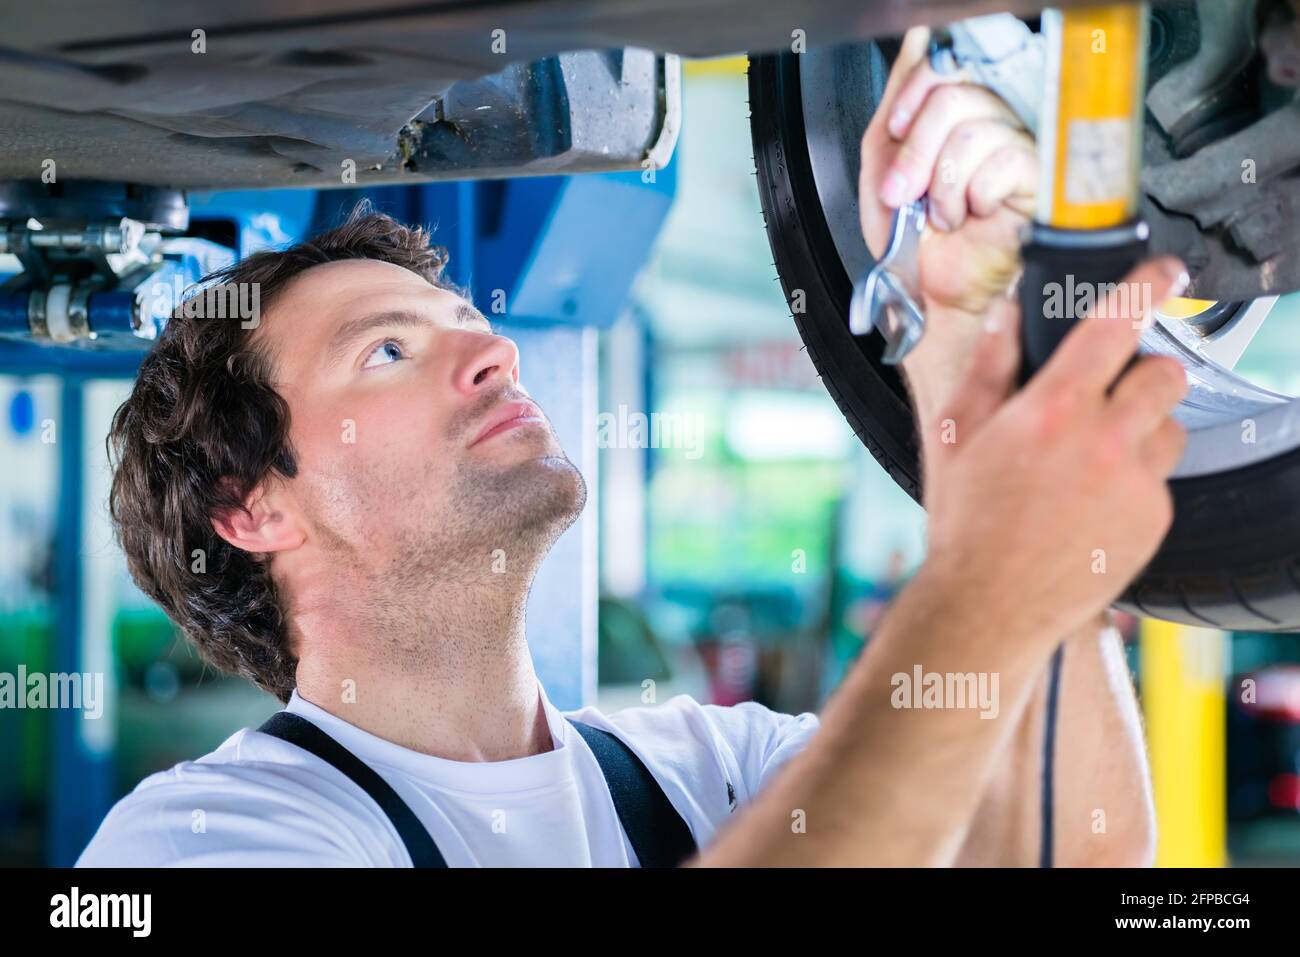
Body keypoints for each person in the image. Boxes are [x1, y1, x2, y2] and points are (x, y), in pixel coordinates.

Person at [77, 27, 1186, 867]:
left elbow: (1062, 852)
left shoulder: (711, 771)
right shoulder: (212, 837)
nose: (494, 357)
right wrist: (985, 582)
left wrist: (987, 405)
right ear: (250, 503)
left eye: (474, 327)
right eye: (387, 352)